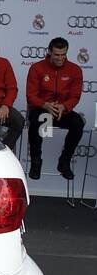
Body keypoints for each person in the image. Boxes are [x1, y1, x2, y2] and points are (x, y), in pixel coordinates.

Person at [25, 37, 86, 180]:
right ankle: (36, 161)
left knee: (78, 123)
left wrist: (64, 106)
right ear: (49, 52)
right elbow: (31, 95)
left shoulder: (75, 70)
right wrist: (45, 105)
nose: (60, 58)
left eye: (63, 54)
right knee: (36, 120)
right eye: (57, 54)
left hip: (62, 111)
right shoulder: (37, 68)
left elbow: (75, 95)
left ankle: (64, 161)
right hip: (43, 109)